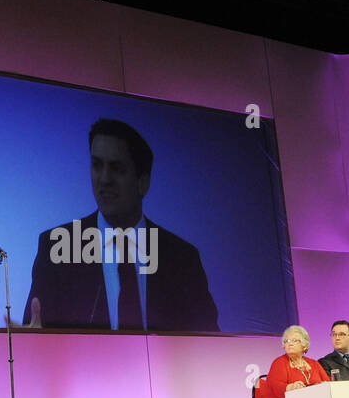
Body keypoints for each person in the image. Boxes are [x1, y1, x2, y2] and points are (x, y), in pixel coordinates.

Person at [22, 118, 218, 332]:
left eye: (117, 168)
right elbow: (34, 333)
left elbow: (209, 344)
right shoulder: (56, 247)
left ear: (143, 182)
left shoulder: (182, 259)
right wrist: (29, 343)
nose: (104, 179)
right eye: (97, 165)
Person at [260, 325, 331, 398]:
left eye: (294, 340)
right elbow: (276, 388)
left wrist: (321, 386)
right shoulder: (279, 363)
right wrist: (291, 387)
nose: (289, 343)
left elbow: (328, 385)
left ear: (305, 345)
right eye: (286, 341)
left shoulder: (314, 364)